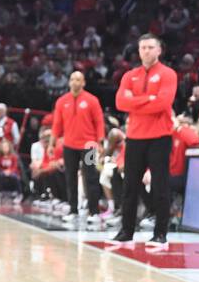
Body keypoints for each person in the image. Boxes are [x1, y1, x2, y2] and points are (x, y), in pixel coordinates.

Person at [114, 33, 177, 245]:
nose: (146, 51)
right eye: (143, 48)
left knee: (160, 186)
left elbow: (162, 103)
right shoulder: (129, 75)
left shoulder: (168, 74)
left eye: (150, 47)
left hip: (160, 136)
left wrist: (136, 101)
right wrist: (148, 99)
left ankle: (160, 233)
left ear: (159, 50)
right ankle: (126, 231)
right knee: (129, 186)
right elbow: (120, 103)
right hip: (134, 137)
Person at [52, 70, 106, 224]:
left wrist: (100, 142)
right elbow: (57, 124)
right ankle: (73, 210)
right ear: (69, 82)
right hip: (69, 145)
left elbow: (99, 122)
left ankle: (94, 212)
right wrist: (52, 143)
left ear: (83, 83)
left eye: (78, 79)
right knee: (70, 178)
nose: (75, 82)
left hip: (89, 145)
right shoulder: (62, 101)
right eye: (72, 79)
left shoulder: (92, 100)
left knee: (91, 177)